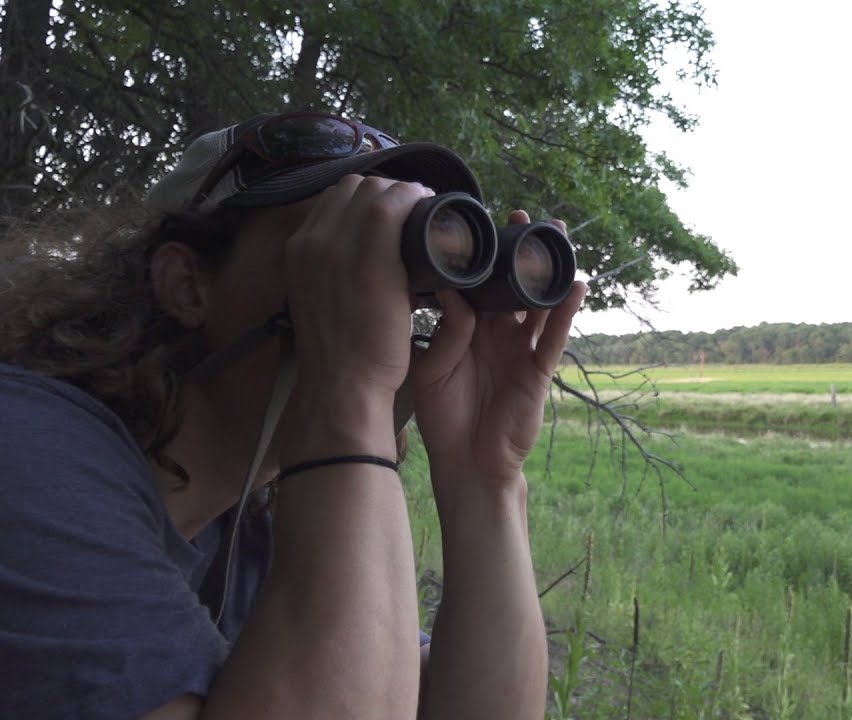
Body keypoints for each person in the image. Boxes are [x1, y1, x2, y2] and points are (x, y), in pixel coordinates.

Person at [0, 111, 586, 719]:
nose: (381, 295)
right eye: (335, 248)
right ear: (187, 284)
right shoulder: (23, 449)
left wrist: (483, 475)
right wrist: (348, 393)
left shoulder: (258, 535)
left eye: (399, 264)